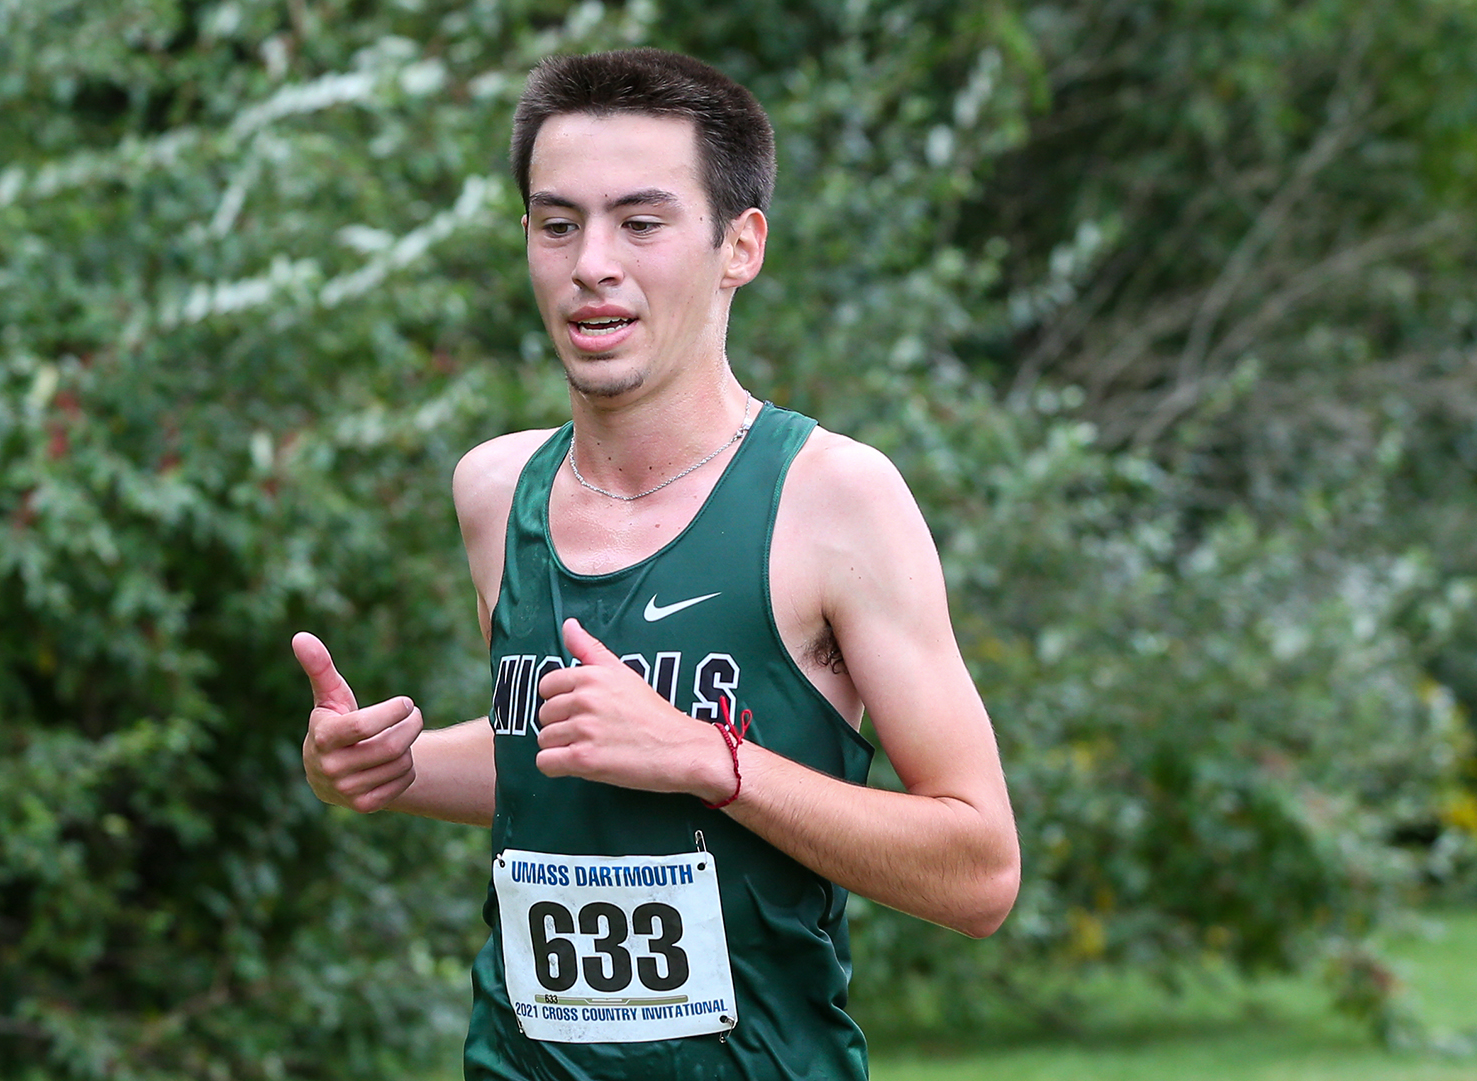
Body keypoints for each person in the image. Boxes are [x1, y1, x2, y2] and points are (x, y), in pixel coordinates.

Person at [295, 47, 1019, 1081]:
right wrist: (394, 768)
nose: (593, 261)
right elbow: (564, 757)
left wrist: (711, 762)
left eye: (641, 222)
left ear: (741, 246)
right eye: (558, 224)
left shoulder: (832, 501)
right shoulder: (497, 492)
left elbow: (980, 869)